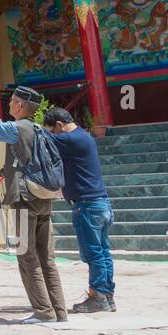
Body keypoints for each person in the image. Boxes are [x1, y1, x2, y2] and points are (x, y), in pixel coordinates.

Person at [0, 86, 67, 324]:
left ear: (19, 105)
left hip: (23, 199)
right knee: (47, 258)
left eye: (11, 101)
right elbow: (2, 126)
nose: (8, 104)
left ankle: (43, 311)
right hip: (42, 197)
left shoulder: (16, 129)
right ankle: (59, 310)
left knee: (27, 256)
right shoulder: (36, 128)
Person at [43, 107, 116, 314]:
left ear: (58, 125)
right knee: (103, 252)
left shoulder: (70, 139)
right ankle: (107, 295)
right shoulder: (84, 136)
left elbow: (41, 139)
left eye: (53, 130)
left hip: (87, 206)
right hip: (100, 203)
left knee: (94, 254)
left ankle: (98, 297)